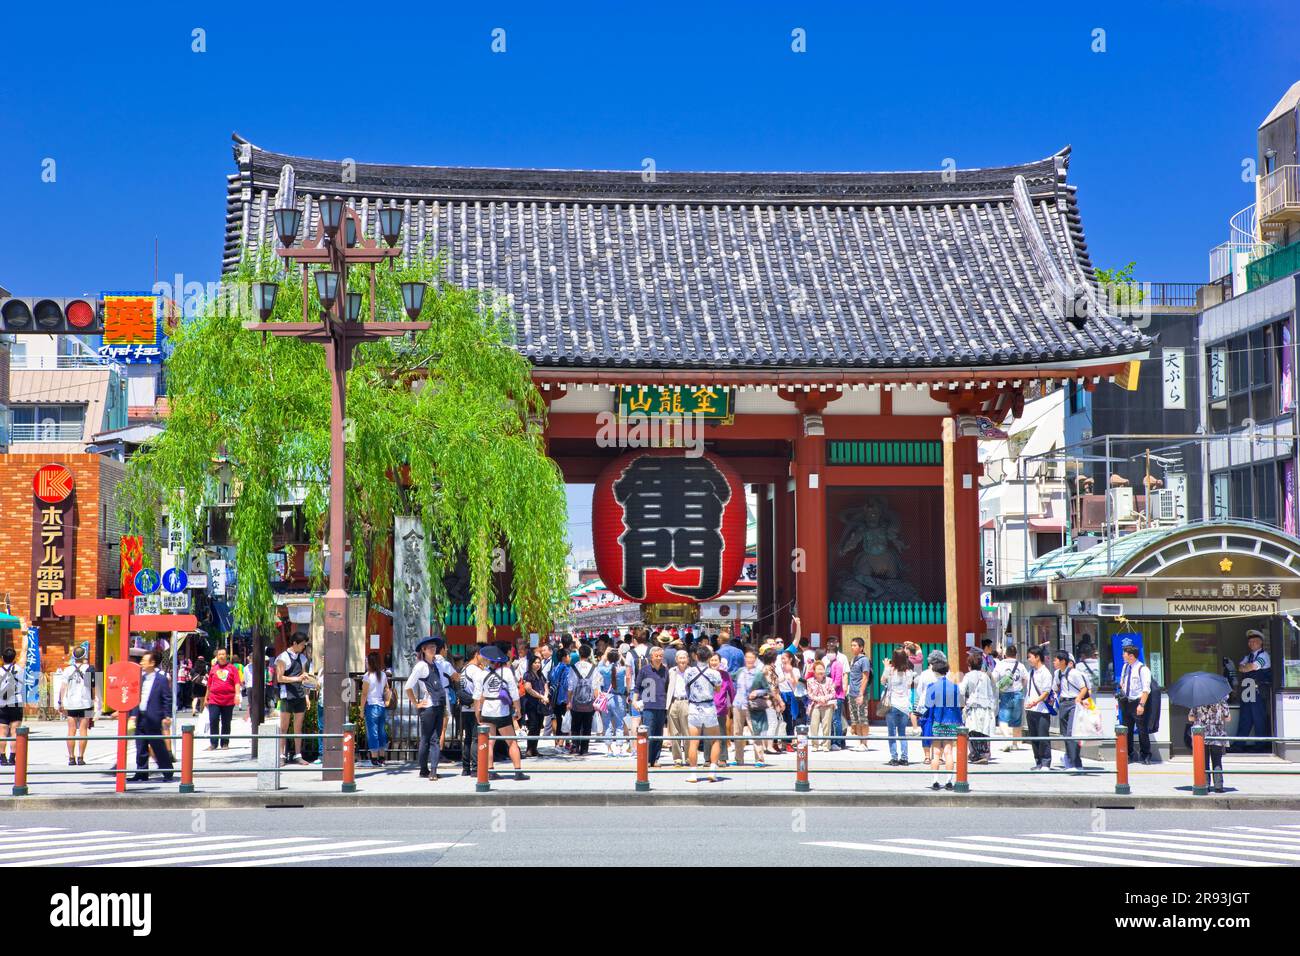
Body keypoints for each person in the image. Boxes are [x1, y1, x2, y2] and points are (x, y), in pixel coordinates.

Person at [473, 645, 529, 781]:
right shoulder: (506, 672)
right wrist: (518, 709)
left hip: (487, 710)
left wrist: (477, 713)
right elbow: (514, 694)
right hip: (502, 711)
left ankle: (491, 771)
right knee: (512, 742)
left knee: (489, 742)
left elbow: (477, 696)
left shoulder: (481, 674)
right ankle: (518, 771)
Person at [129, 650, 174, 782]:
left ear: (152, 663)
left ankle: (167, 771)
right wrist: (133, 714)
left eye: (144, 660)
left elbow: (167, 698)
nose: (141, 663)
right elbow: (135, 697)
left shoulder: (161, 679)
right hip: (141, 716)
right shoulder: (140, 678)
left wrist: (167, 716)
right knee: (140, 746)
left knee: (158, 746)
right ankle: (141, 772)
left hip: (154, 717)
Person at [405, 638, 447, 780]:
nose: (433, 649)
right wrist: (416, 703)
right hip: (428, 707)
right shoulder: (421, 666)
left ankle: (433, 770)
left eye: (434, 646)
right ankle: (424, 769)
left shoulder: (436, 665)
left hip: (439, 704)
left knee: (435, 739)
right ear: (423, 650)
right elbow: (408, 686)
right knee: (426, 739)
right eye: (429, 647)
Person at [922, 658, 964, 790]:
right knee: (949, 751)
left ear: (934, 672)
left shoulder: (932, 687)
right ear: (946, 671)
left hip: (937, 721)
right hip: (952, 721)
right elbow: (960, 704)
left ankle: (935, 780)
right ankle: (949, 780)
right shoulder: (955, 687)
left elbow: (927, 705)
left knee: (936, 752)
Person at [682, 647, 723, 783]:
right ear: (709, 657)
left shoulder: (689, 672)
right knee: (715, 740)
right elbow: (717, 689)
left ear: (696, 657)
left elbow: (686, 686)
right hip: (709, 707)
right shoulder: (715, 673)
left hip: (694, 707)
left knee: (693, 742)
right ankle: (712, 770)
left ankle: (693, 774)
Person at [275, 633, 313, 765]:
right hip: (287, 695)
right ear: (295, 643)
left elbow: (304, 677)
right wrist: (296, 678)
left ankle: (298, 755)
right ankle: (281, 755)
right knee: (284, 727)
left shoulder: (302, 658)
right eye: (302, 644)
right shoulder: (282, 658)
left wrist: (307, 695)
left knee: (298, 727)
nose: (304, 647)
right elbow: (280, 678)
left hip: (299, 695)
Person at [632, 644, 670, 767]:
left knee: (659, 734)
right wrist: (634, 701)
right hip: (648, 705)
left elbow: (667, 687)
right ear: (651, 657)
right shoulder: (644, 670)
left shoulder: (665, 670)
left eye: (661, 656)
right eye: (656, 656)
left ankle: (656, 759)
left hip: (661, 705)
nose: (659, 658)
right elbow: (637, 687)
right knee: (649, 732)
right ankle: (647, 759)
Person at [1234, 629, 1272, 752]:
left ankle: (1261, 746)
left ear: (1260, 642)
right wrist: (1247, 667)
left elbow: (1251, 667)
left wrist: (1247, 667)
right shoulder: (1248, 656)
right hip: (1247, 691)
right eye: (1249, 642)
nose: (1251, 644)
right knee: (1245, 718)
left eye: (1254, 641)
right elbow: (1240, 668)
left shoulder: (1264, 656)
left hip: (1258, 691)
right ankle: (1239, 745)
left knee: (1259, 718)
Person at [58, 645, 95, 766]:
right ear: (85, 656)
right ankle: (81, 757)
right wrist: (95, 702)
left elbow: (63, 687)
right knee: (84, 730)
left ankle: (71, 758)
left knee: (71, 730)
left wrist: (60, 702)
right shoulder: (91, 669)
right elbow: (95, 687)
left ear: (73, 656)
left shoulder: (67, 670)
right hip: (87, 704)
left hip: (71, 704)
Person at [1051, 650, 1088, 771]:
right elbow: (1055, 688)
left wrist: (1078, 698)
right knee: (1066, 734)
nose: (1053, 662)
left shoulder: (1075, 673)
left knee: (1072, 733)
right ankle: (1069, 759)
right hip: (1063, 703)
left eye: (1055, 660)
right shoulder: (1057, 673)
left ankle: (1076, 763)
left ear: (1062, 661)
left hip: (1073, 703)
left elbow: (1084, 689)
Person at [1117, 642, 1153, 764]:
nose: (1123, 656)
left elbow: (1146, 689)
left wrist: (1141, 705)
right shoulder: (1125, 667)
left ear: (1131, 656)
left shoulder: (1143, 669)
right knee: (1127, 729)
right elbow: (1122, 682)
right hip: (1126, 701)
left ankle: (1146, 754)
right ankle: (1129, 753)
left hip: (1138, 702)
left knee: (1142, 729)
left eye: (1124, 654)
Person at [960, 649, 997, 764]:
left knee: (973, 730)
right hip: (986, 708)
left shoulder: (968, 676)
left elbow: (961, 691)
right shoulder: (985, 676)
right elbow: (991, 693)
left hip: (973, 707)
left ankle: (976, 754)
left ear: (969, 664)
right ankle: (984, 753)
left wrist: (962, 704)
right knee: (983, 730)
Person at [1189, 692, 1231, 793]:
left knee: (1204, 761)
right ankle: (1218, 786)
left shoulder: (1197, 702)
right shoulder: (1221, 701)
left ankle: (1206, 784)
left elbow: (1190, 718)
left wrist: (1200, 718)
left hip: (1201, 736)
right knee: (1217, 761)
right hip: (1217, 735)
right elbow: (1228, 718)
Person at [881, 649, 915, 766]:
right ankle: (904, 758)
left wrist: (886, 666)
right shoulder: (909, 672)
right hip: (904, 705)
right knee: (902, 733)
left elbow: (882, 681)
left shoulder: (890, 670)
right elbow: (909, 684)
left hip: (892, 705)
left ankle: (894, 757)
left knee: (891, 732)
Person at [204, 648, 241, 750]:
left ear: (226, 656)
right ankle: (213, 743)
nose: (221, 656)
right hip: (214, 699)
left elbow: (237, 682)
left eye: (223, 654)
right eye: (219, 654)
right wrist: (206, 697)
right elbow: (209, 685)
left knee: (226, 722)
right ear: (217, 656)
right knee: (213, 719)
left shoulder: (232, 668)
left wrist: (237, 695)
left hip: (228, 700)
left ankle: (225, 743)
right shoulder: (213, 669)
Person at [1023, 646, 1053, 770]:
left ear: (1037, 657)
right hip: (1030, 709)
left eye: (1030, 657)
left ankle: (1046, 762)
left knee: (1043, 736)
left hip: (1042, 710)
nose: (1028, 659)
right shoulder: (1031, 672)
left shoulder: (1045, 673)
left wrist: (1035, 702)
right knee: (1034, 737)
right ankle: (1038, 762)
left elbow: (1046, 692)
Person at [566, 643, 599, 755]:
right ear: (589, 654)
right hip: (589, 703)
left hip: (576, 702)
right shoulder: (593, 668)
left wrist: (568, 701)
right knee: (587, 727)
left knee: (575, 725)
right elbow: (595, 687)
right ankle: (584, 749)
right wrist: (596, 701)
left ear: (579, 654)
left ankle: (575, 746)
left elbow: (570, 687)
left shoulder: (573, 667)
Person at [992, 644, 1027, 750]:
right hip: (1018, 694)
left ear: (1006, 654)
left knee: (1003, 718)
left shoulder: (1000, 665)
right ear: (1016, 654)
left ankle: (1007, 738)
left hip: (1005, 694)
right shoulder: (1020, 665)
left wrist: (999, 686)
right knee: (1016, 720)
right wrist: (1020, 687)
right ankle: (1015, 744)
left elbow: (994, 677)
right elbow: (1025, 679)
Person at [913, 650, 944, 764]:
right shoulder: (945, 673)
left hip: (926, 703)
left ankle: (927, 757)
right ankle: (939, 756)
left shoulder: (925, 673)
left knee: (926, 728)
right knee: (940, 729)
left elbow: (919, 690)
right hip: (940, 703)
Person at [362, 651, 391, 767]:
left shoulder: (367, 676)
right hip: (381, 706)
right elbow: (387, 689)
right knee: (381, 731)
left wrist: (360, 710)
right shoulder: (383, 675)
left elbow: (364, 694)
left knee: (372, 732)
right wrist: (387, 701)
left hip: (371, 705)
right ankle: (382, 757)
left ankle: (374, 757)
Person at [666, 648, 692, 766]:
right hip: (674, 702)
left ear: (688, 659)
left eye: (684, 658)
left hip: (687, 702)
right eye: (680, 658)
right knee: (674, 732)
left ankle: (688, 757)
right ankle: (677, 758)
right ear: (676, 660)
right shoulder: (671, 671)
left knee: (687, 731)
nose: (682, 660)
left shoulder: (692, 671)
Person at [730, 647, 756, 766]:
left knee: (755, 731)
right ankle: (738, 758)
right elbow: (731, 676)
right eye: (747, 658)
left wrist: (757, 693)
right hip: (738, 704)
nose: (749, 660)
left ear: (755, 659)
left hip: (752, 705)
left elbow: (765, 688)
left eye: (752, 658)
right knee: (737, 732)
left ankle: (759, 759)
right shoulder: (740, 671)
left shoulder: (759, 672)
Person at [521, 654, 549, 757]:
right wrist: (541, 696)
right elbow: (528, 689)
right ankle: (529, 749)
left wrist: (545, 696)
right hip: (531, 704)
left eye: (539, 663)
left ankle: (534, 748)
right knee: (533, 726)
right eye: (535, 663)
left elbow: (546, 686)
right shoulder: (528, 675)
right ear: (531, 664)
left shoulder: (541, 675)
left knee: (538, 726)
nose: (537, 665)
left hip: (541, 704)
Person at [806, 660, 837, 753]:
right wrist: (819, 699)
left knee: (826, 725)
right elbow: (809, 694)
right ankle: (815, 744)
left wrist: (825, 698)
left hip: (827, 704)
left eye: (822, 669)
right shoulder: (809, 681)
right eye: (819, 669)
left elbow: (833, 692)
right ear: (814, 671)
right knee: (814, 725)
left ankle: (825, 745)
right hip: (815, 704)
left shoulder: (829, 680)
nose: (821, 671)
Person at [847, 637, 872, 751]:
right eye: (852, 645)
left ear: (861, 648)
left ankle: (865, 743)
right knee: (855, 718)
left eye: (855, 645)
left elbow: (865, 677)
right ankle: (860, 742)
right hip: (851, 693)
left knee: (863, 717)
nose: (853, 647)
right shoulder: (853, 659)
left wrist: (861, 693)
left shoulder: (864, 660)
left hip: (860, 693)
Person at [0, 648, 23, 766]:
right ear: (14, 658)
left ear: (2, 658)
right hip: (16, 702)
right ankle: (12, 757)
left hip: (2, 703)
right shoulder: (19, 670)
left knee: (2, 732)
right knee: (15, 732)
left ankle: (2, 757)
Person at [548, 645, 572, 752]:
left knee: (558, 720)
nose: (570, 658)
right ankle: (561, 744)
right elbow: (567, 685)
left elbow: (551, 681)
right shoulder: (567, 669)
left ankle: (557, 742)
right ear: (564, 657)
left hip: (554, 698)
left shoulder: (554, 668)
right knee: (566, 721)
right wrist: (569, 700)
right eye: (569, 656)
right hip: (564, 698)